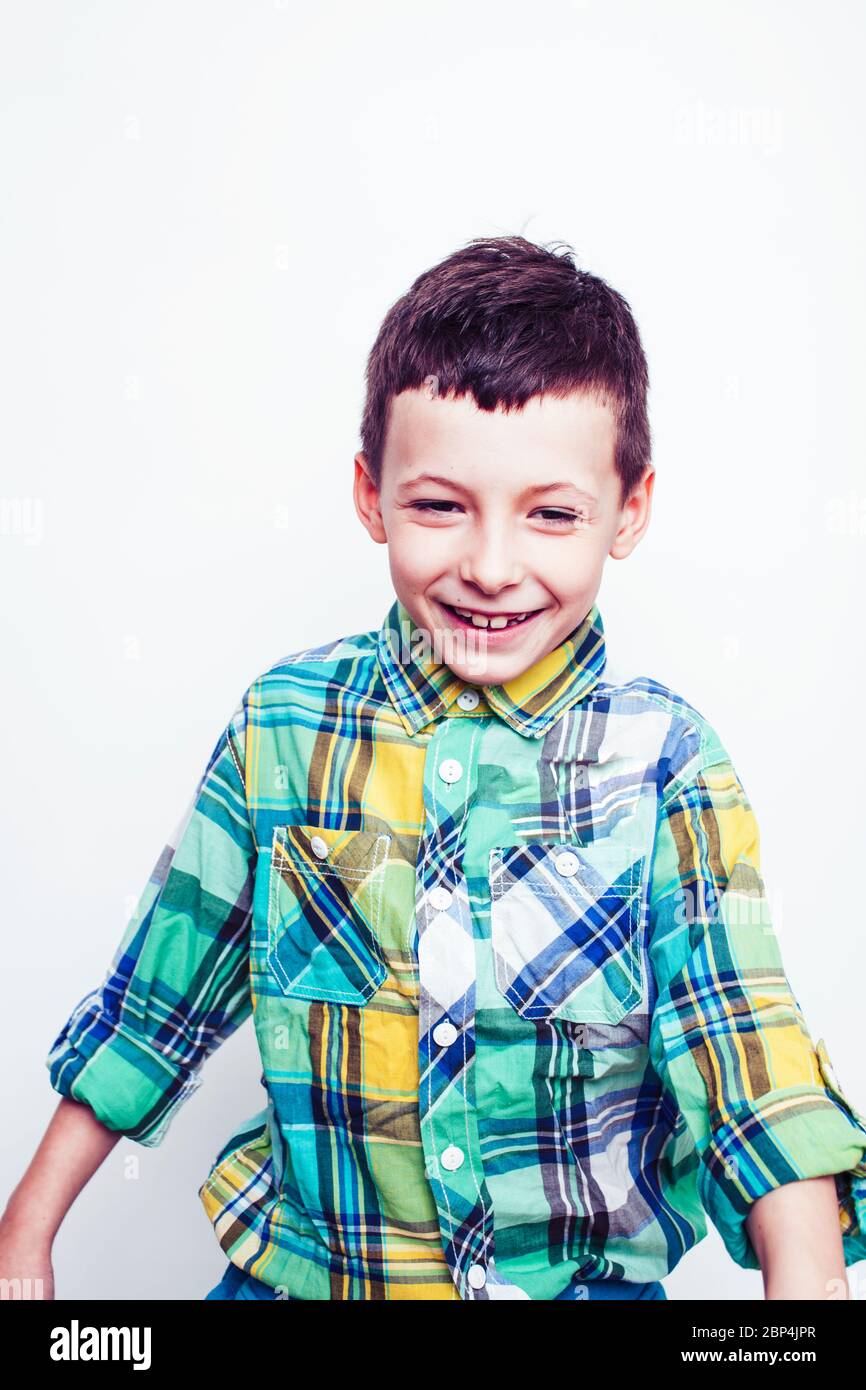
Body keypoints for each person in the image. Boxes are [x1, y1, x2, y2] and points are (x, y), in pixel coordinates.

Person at [3, 235, 866, 1302]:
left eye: (550, 514)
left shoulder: (665, 765)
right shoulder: (284, 727)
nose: (490, 567)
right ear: (370, 495)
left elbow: (749, 1060)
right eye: (437, 505)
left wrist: (806, 1285)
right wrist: (24, 1233)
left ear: (628, 508)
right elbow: (157, 1000)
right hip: (304, 1281)